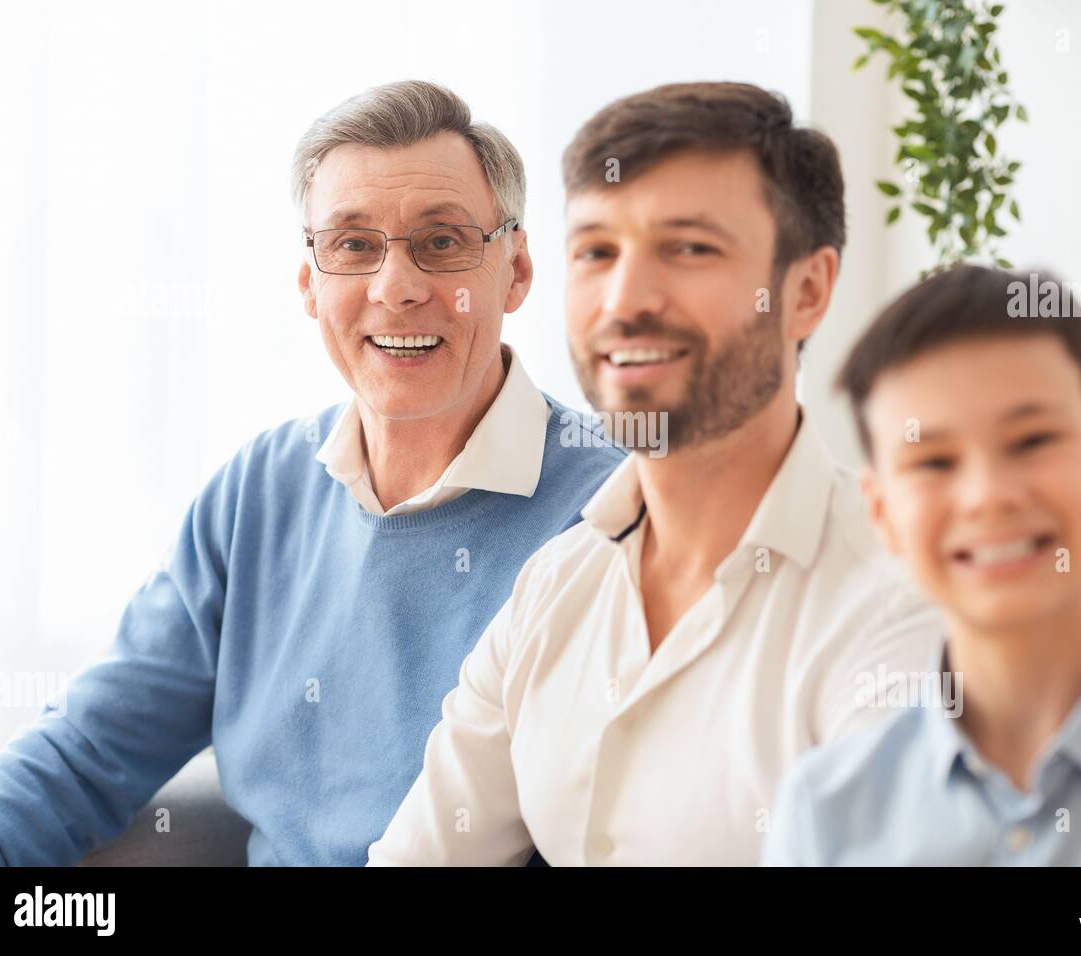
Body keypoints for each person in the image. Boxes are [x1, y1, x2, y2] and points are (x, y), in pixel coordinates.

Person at [0, 80, 622, 867]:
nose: (396, 287)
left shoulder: (613, 509)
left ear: (514, 271)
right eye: (353, 245)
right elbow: (83, 753)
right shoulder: (258, 494)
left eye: (442, 241)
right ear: (310, 284)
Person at [367, 82, 942, 867]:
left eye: (690, 248)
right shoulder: (555, 586)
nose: (625, 299)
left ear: (806, 292)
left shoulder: (903, 608)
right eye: (597, 252)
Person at [762, 264, 1081, 865]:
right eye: (934, 462)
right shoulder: (825, 813)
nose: (987, 496)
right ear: (882, 512)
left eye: (1032, 441)